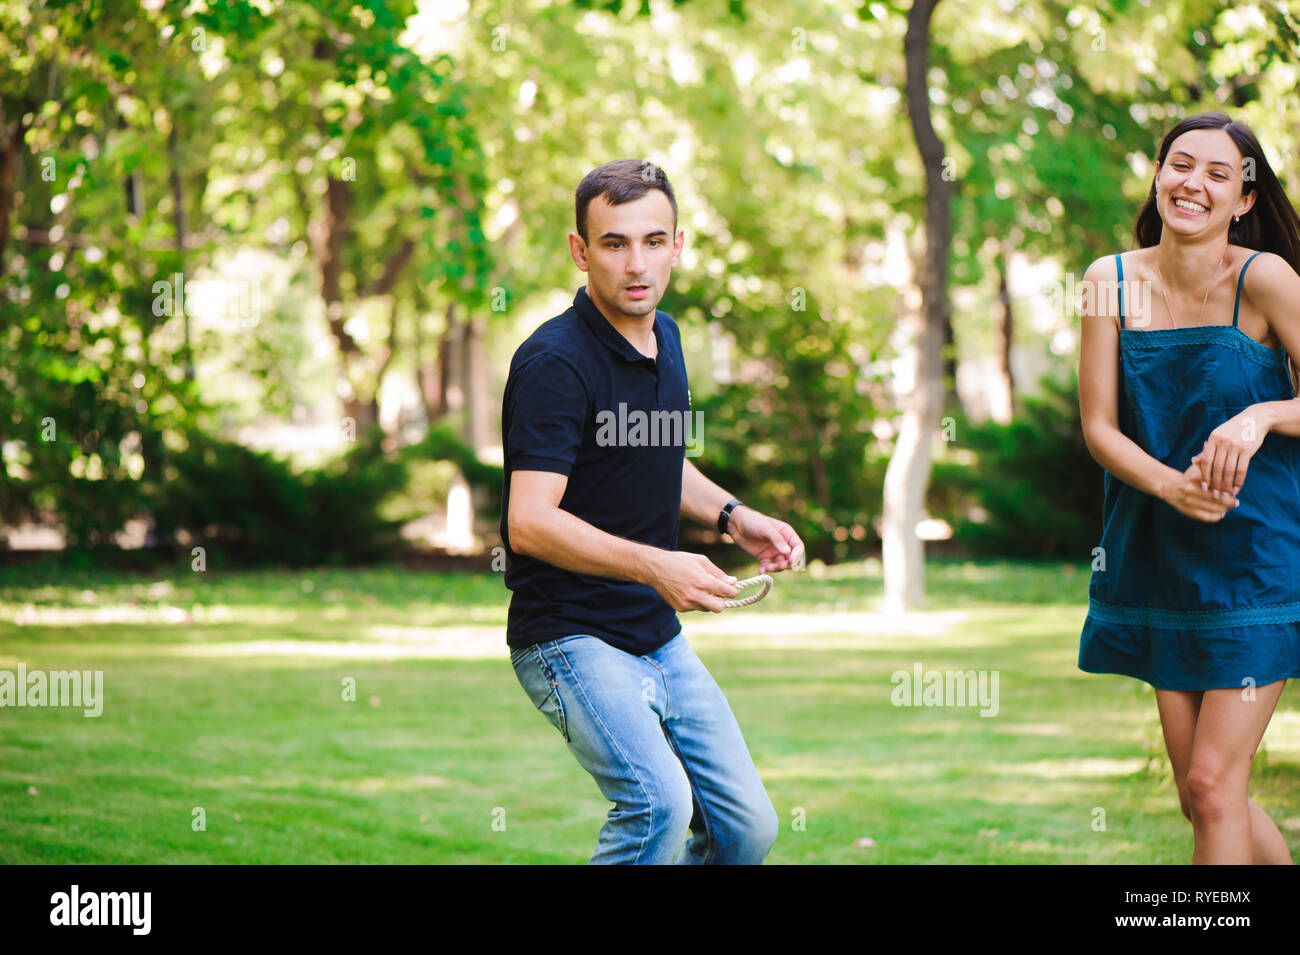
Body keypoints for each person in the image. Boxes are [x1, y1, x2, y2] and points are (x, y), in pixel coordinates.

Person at [500, 159, 805, 864]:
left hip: (654, 633)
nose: (636, 263)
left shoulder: (664, 339)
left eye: (653, 240)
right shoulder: (554, 362)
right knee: (656, 804)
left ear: (678, 244)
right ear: (581, 251)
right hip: (569, 636)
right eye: (614, 243)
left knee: (746, 828)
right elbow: (530, 520)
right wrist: (655, 564)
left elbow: (655, 463)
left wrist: (734, 517)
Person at [1078, 112, 1300, 864]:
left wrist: (1263, 415)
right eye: (1181, 164)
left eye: (1218, 173)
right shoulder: (1105, 281)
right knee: (1203, 793)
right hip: (1155, 554)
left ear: (1244, 199)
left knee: (1211, 784)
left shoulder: (1264, 277)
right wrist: (1173, 488)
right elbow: (1100, 428)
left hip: (1257, 562)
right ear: (1158, 175)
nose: (1194, 183)